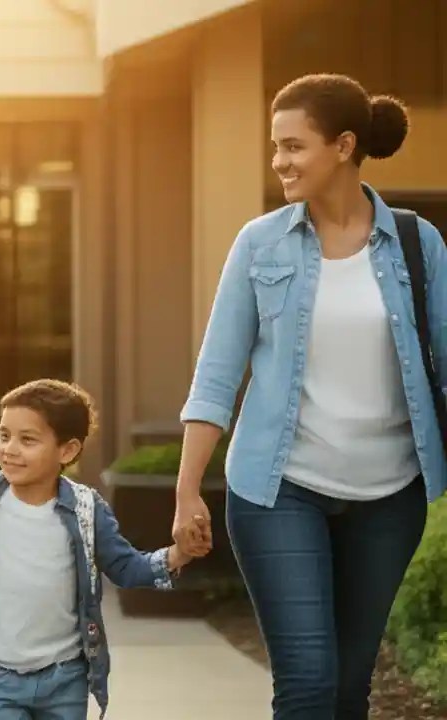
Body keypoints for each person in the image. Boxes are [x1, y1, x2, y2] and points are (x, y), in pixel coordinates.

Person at [175, 73, 447, 719]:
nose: (280, 163)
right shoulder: (260, 243)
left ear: (345, 145)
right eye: (276, 148)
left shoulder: (418, 244)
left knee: (350, 688)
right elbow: (217, 373)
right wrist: (188, 489)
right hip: (279, 490)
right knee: (307, 683)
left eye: (294, 147)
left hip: (390, 498)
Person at [0, 379, 205, 719]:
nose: (9, 449)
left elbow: (127, 568)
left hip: (65, 678)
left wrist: (179, 554)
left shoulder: (87, 510)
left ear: (67, 451)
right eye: (4, 435)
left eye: (27, 439)